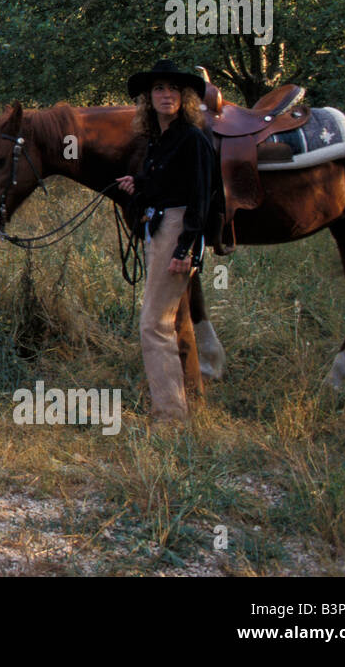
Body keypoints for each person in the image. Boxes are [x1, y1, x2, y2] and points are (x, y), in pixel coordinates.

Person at [115, 59, 214, 424]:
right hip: (158, 226)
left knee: (153, 324)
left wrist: (185, 248)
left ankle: (170, 417)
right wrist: (139, 186)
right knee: (166, 321)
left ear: (184, 97)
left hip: (177, 228)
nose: (166, 94)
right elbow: (167, 184)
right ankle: (182, 403)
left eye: (173, 89)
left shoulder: (192, 138)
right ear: (149, 98)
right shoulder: (159, 139)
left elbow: (201, 198)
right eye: (159, 88)